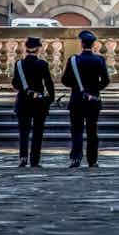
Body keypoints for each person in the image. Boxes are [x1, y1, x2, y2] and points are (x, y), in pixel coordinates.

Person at [61, 29, 110, 168]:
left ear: (82, 44)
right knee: (92, 131)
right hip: (93, 100)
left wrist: (77, 88)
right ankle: (92, 160)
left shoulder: (74, 60)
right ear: (93, 44)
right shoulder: (99, 60)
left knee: (76, 130)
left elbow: (65, 80)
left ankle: (76, 158)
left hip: (77, 100)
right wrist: (94, 90)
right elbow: (105, 80)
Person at [10, 37, 54, 168]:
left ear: (26, 48)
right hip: (39, 103)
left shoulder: (19, 64)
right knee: (37, 133)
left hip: (23, 101)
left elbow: (16, 83)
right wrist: (50, 99)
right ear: (38, 49)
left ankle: (23, 158)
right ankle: (34, 160)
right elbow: (48, 83)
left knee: (23, 132)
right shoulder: (42, 64)